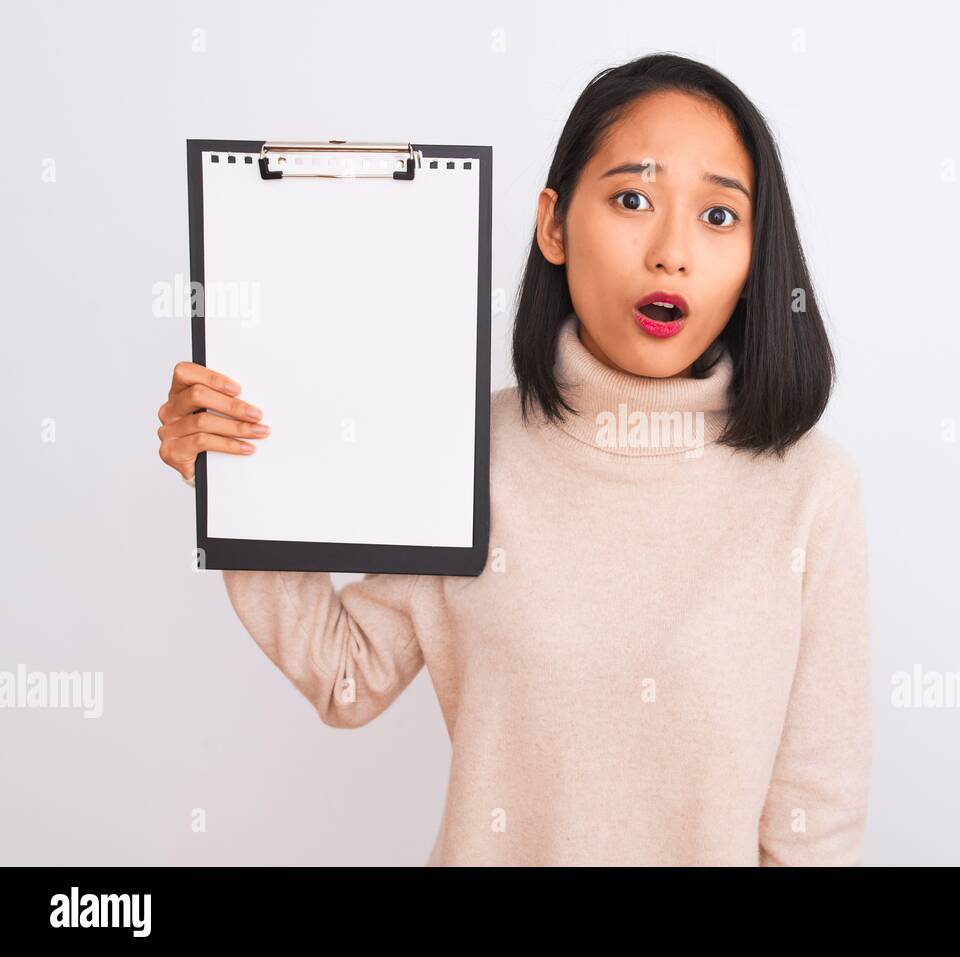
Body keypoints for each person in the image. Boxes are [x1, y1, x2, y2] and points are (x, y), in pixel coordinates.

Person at [156, 53, 871, 866]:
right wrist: (232, 471)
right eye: (633, 198)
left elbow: (816, 823)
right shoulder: (467, 452)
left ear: (754, 259)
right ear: (555, 225)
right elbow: (343, 676)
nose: (673, 251)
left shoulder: (812, 491)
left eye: (718, 216)